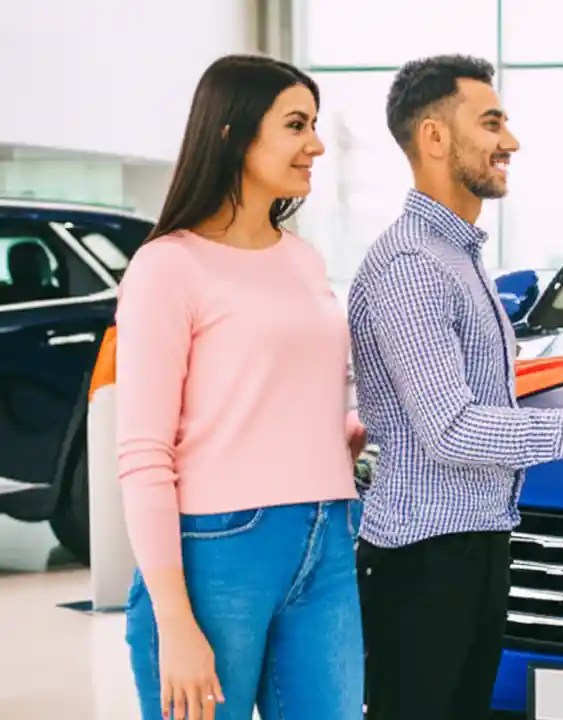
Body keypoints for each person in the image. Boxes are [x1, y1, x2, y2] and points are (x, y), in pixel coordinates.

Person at [346, 54, 563, 720]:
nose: (512, 142)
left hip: (474, 546)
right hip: (423, 559)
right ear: (434, 137)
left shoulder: (457, 257)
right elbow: (452, 430)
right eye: (492, 123)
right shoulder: (412, 265)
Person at [116, 55, 367, 720]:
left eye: (313, 124)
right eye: (296, 125)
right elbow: (143, 453)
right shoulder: (167, 267)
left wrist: (361, 428)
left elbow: (284, 404)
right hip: (217, 552)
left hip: (327, 536)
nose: (316, 144)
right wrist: (174, 621)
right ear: (232, 133)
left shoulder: (303, 259)